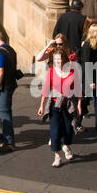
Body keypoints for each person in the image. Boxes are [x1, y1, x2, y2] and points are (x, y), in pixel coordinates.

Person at [38, 35, 78, 166]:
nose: (57, 63)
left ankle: (66, 146)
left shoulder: (71, 70)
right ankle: (57, 156)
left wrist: (79, 105)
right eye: (55, 60)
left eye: (59, 60)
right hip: (54, 105)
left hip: (67, 105)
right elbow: (45, 89)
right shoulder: (51, 71)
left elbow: (77, 89)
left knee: (67, 130)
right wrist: (41, 105)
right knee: (54, 131)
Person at [77, 23, 97, 134]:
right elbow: (86, 64)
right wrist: (90, 81)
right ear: (96, 33)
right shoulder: (87, 45)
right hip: (90, 79)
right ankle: (77, 123)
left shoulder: (96, 44)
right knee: (84, 102)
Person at [0, 30, 18, 154]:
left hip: (5, 86)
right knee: (8, 109)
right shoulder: (11, 50)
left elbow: (0, 72)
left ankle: (9, 142)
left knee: (4, 112)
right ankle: (6, 133)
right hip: (12, 83)